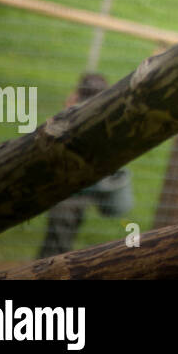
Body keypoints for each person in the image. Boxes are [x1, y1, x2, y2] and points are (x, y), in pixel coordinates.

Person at [36, 73, 134, 258]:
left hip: (68, 193)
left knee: (56, 245)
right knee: (61, 240)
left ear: (78, 96)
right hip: (80, 192)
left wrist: (64, 112)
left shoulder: (70, 122)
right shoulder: (105, 121)